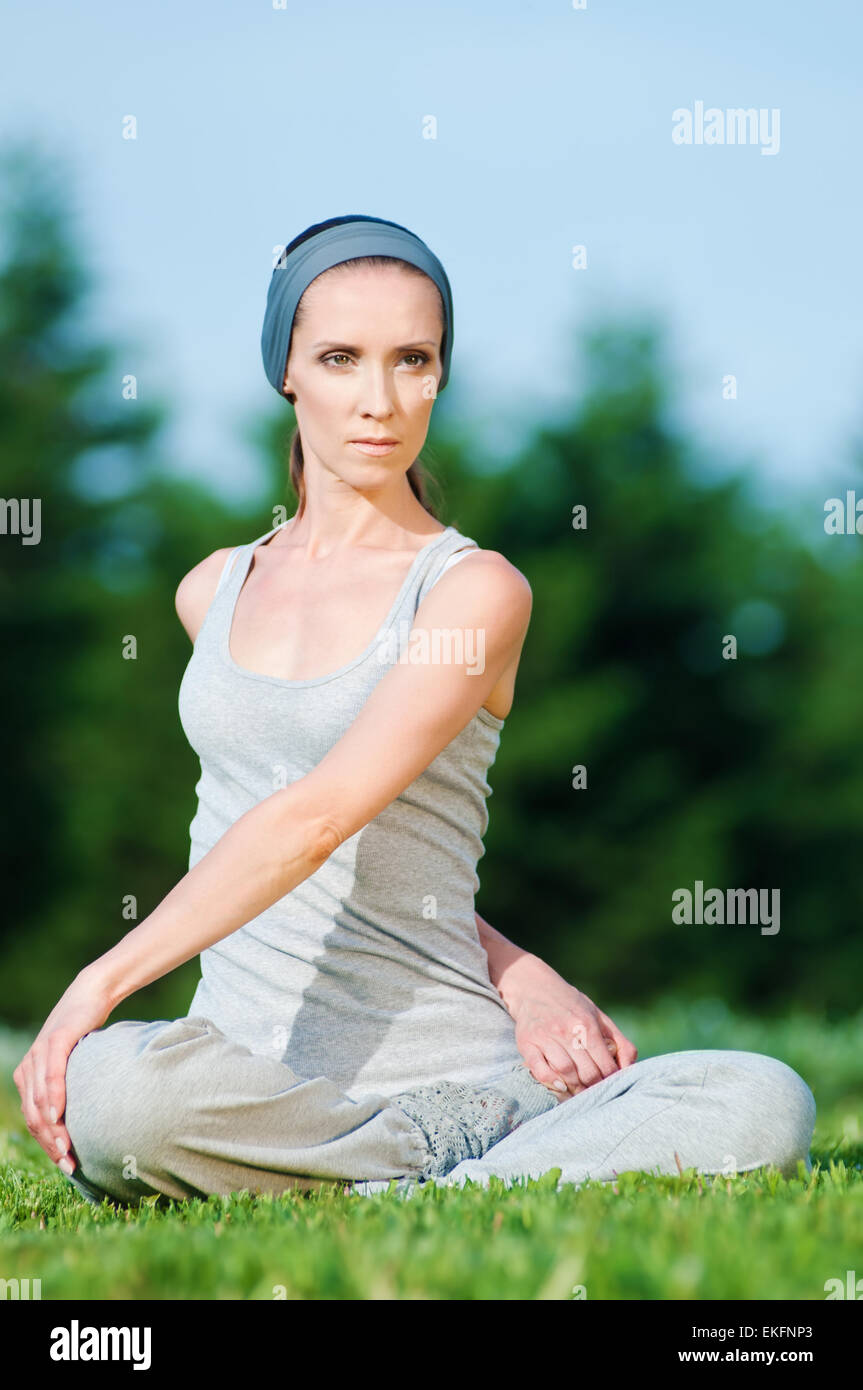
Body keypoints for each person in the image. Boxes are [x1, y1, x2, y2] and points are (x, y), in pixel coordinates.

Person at [13, 215, 815, 1206]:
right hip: (251, 1081)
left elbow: (316, 818)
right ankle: (436, 1182)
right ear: (286, 371)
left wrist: (97, 983)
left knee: (760, 1099)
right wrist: (519, 963)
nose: (380, 400)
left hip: (457, 1078)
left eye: (413, 360)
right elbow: (339, 856)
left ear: (440, 375)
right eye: (341, 358)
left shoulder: (471, 592)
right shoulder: (207, 590)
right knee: (119, 1098)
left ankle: (406, 1170)